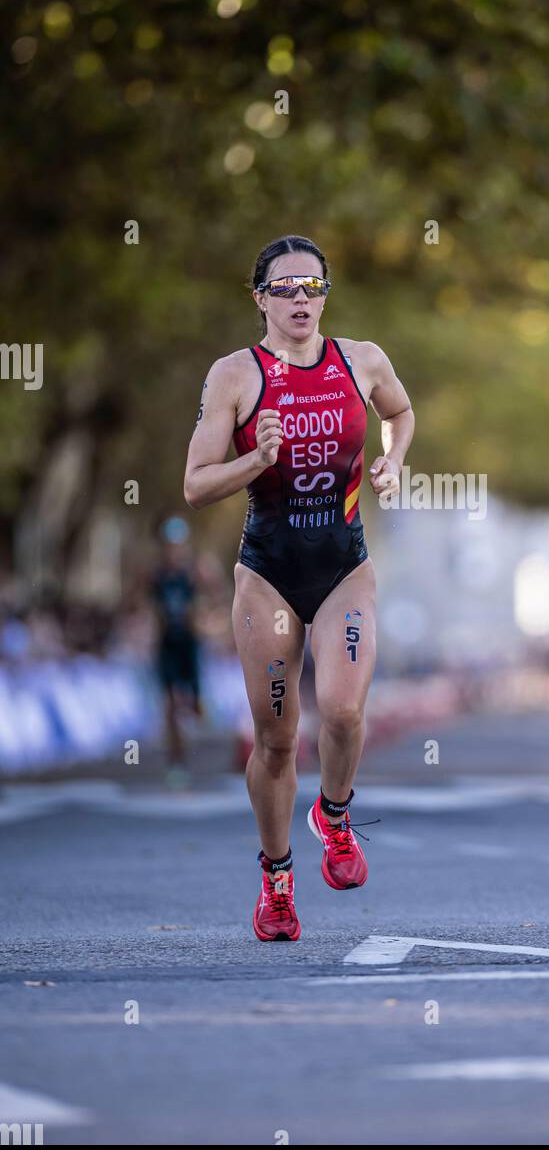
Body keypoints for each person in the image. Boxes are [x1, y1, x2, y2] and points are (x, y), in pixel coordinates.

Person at [183, 235, 414, 940]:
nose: (300, 300)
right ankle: (277, 880)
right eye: (284, 288)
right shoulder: (235, 375)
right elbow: (194, 485)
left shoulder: (362, 359)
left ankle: (335, 817)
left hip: (344, 566)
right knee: (278, 740)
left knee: (342, 715)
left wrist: (393, 461)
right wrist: (256, 457)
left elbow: (400, 414)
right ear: (259, 299)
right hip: (268, 575)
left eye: (312, 286)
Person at [151, 517, 202, 785]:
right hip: (167, 645)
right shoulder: (154, 575)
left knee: (193, 706)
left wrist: (207, 621)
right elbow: (140, 605)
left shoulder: (195, 573)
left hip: (191, 645)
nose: (174, 551)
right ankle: (176, 760)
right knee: (169, 704)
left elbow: (217, 600)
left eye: (178, 546)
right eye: (169, 546)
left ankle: (191, 734)